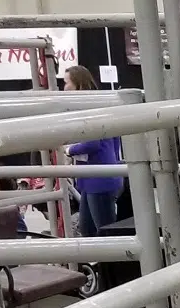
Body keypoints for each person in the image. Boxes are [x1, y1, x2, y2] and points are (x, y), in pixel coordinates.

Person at [61, 65, 125, 236]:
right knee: (89, 230)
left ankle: (113, 262)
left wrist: (68, 150)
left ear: (78, 85)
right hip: (95, 177)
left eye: (66, 83)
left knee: (104, 231)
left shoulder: (90, 109)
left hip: (99, 178)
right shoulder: (98, 105)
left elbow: (93, 143)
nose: (63, 87)